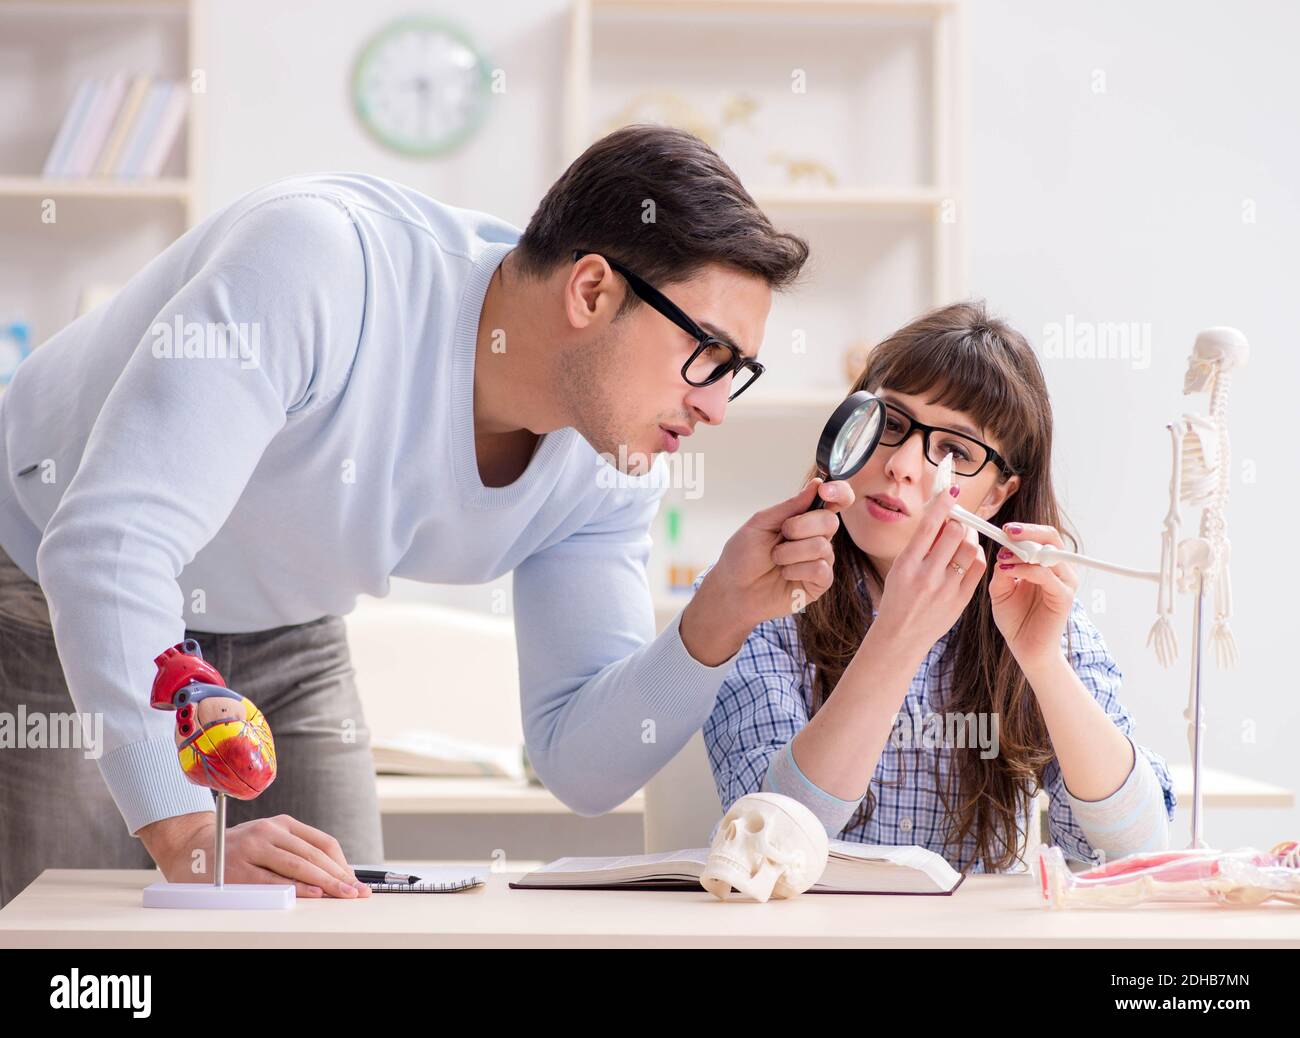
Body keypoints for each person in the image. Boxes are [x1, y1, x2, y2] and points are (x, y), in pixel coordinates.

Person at [0, 125, 856, 906]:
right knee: (77, 923)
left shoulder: (616, 462)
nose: (715, 410)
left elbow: (583, 766)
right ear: (591, 290)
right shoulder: (319, 263)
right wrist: (188, 840)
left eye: (736, 371)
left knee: (341, 917)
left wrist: (721, 614)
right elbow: (108, 547)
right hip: (46, 574)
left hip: (285, 626)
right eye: (705, 354)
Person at [702, 301, 1176, 874]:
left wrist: (1043, 663)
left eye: (954, 450)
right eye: (892, 423)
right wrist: (898, 637)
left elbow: (1136, 853)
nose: (902, 463)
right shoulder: (760, 595)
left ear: (998, 496)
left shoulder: (1034, 612)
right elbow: (766, 843)